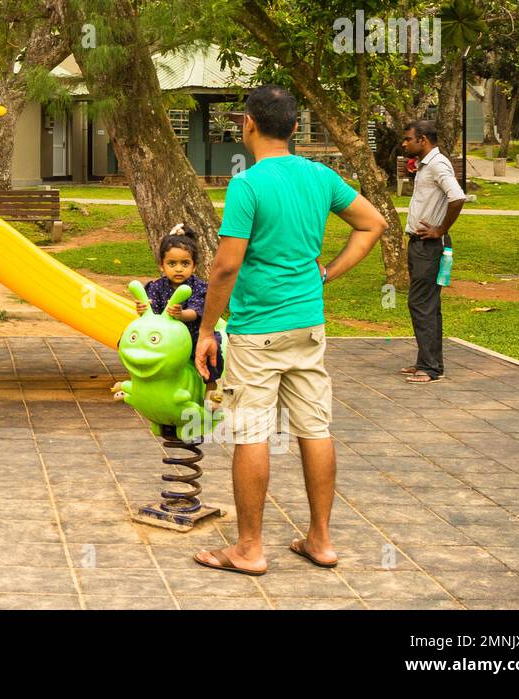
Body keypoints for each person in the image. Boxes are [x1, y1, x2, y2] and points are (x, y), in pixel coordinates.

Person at [193, 85, 386, 576]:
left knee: (251, 434)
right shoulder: (321, 176)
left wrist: (208, 330)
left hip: (258, 331)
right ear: (296, 128)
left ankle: (249, 549)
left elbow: (224, 268)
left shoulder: (248, 184)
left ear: (248, 125)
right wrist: (327, 273)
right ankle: (321, 541)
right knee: (315, 429)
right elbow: (373, 223)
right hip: (309, 326)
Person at [399, 120, 466, 383]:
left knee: (422, 304)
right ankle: (427, 362)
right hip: (420, 244)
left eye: (408, 139)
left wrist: (439, 230)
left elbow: (457, 197)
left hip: (429, 245)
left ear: (423, 139)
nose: (404, 144)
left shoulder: (437, 164)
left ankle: (430, 368)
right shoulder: (427, 165)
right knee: (427, 304)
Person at [133, 223, 222, 383]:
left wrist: (181, 314)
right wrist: (142, 310)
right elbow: (151, 315)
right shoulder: (156, 287)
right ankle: (137, 380)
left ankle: (211, 386)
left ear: (194, 266)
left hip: (192, 335)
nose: (178, 269)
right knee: (132, 343)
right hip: (165, 338)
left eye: (185, 263)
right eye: (172, 264)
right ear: (162, 265)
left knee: (211, 350)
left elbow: (195, 312)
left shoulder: (199, 287)